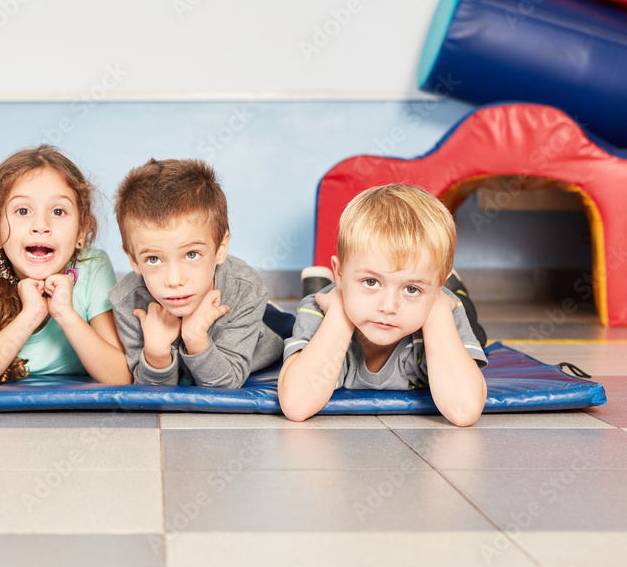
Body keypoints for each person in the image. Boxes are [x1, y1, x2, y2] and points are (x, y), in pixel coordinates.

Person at [278, 183, 488, 426]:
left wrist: (440, 311)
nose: (388, 306)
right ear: (341, 275)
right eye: (371, 281)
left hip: (444, 300)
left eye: (412, 288)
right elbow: (296, 404)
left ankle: (455, 287)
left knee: (473, 326)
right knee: (324, 297)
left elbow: (464, 411)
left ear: (437, 287)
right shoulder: (320, 310)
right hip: (347, 291)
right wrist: (338, 313)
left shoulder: (441, 307)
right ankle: (324, 284)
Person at [109, 158, 284, 388]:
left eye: (191, 254)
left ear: (220, 248)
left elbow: (225, 386)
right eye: (153, 259)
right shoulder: (127, 300)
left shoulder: (245, 289)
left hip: (261, 334)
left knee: (293, 324)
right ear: (133, 260)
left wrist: (195, 338)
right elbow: (151, 395)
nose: (174, 280)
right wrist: (156, 353)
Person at [0, 146, 130, 387]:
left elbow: (121, 377)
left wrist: (65, 314)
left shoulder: (93, 267)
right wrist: (30, 316)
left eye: (58, 211)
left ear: (81, 232)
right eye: (23, 211)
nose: (41, 225)